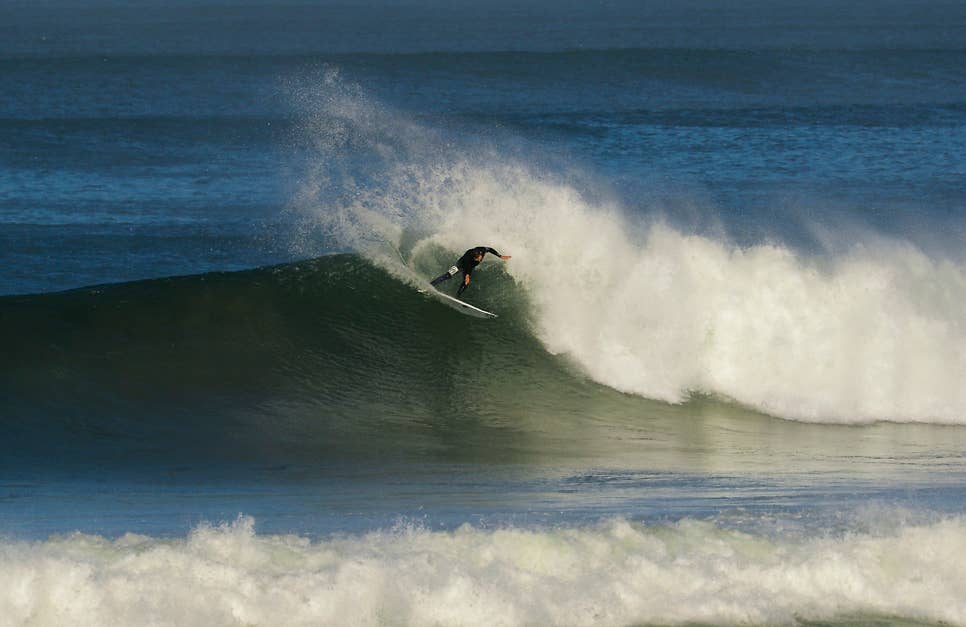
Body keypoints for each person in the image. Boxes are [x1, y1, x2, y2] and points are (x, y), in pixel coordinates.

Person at [430, 246, 511, 296]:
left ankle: (457, 296)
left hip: (470, 267)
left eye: (480, 256)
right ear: (474, 257)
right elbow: (467, 267)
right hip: (461, 264)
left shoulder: (481, 250)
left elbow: (489, 249)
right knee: (448, 275)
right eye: (478, 258)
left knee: (466, 283)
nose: (480, 258)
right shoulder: (468, 256)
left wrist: (500, 256)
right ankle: (431, 285)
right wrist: (467, 275)